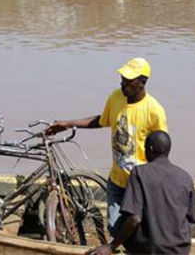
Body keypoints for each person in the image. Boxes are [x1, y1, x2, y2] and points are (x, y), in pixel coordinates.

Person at [46, 57, 167, 234]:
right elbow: (102, 121)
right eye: (122, 78)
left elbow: (162, 151)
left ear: (142, 82)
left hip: (140, 183)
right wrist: (67, 124)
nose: (123, 83)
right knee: (114, 227)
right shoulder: (116, 97)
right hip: (117, 180)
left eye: (128, 80)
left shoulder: (154, 111)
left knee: (140, 228)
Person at [88, 131, 195, 255]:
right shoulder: (185, 177)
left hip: (150, 250)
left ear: (150, 149)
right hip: (180, 250)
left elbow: (134, 219)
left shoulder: (139, 173)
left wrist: (111, 246)